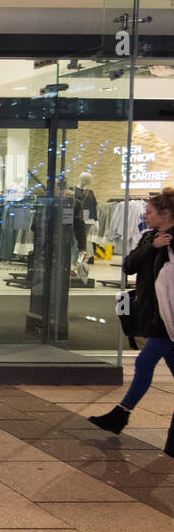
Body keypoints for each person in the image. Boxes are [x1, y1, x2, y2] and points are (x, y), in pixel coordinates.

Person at [91, 187, 174, 448]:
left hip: (168, 316)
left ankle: (121, 413)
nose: (145, 216)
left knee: (144, 361)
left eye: (149, 212)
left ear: (166, 214)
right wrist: (152, 247)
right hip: (152, 312)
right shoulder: (149, 237)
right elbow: (129, 265)